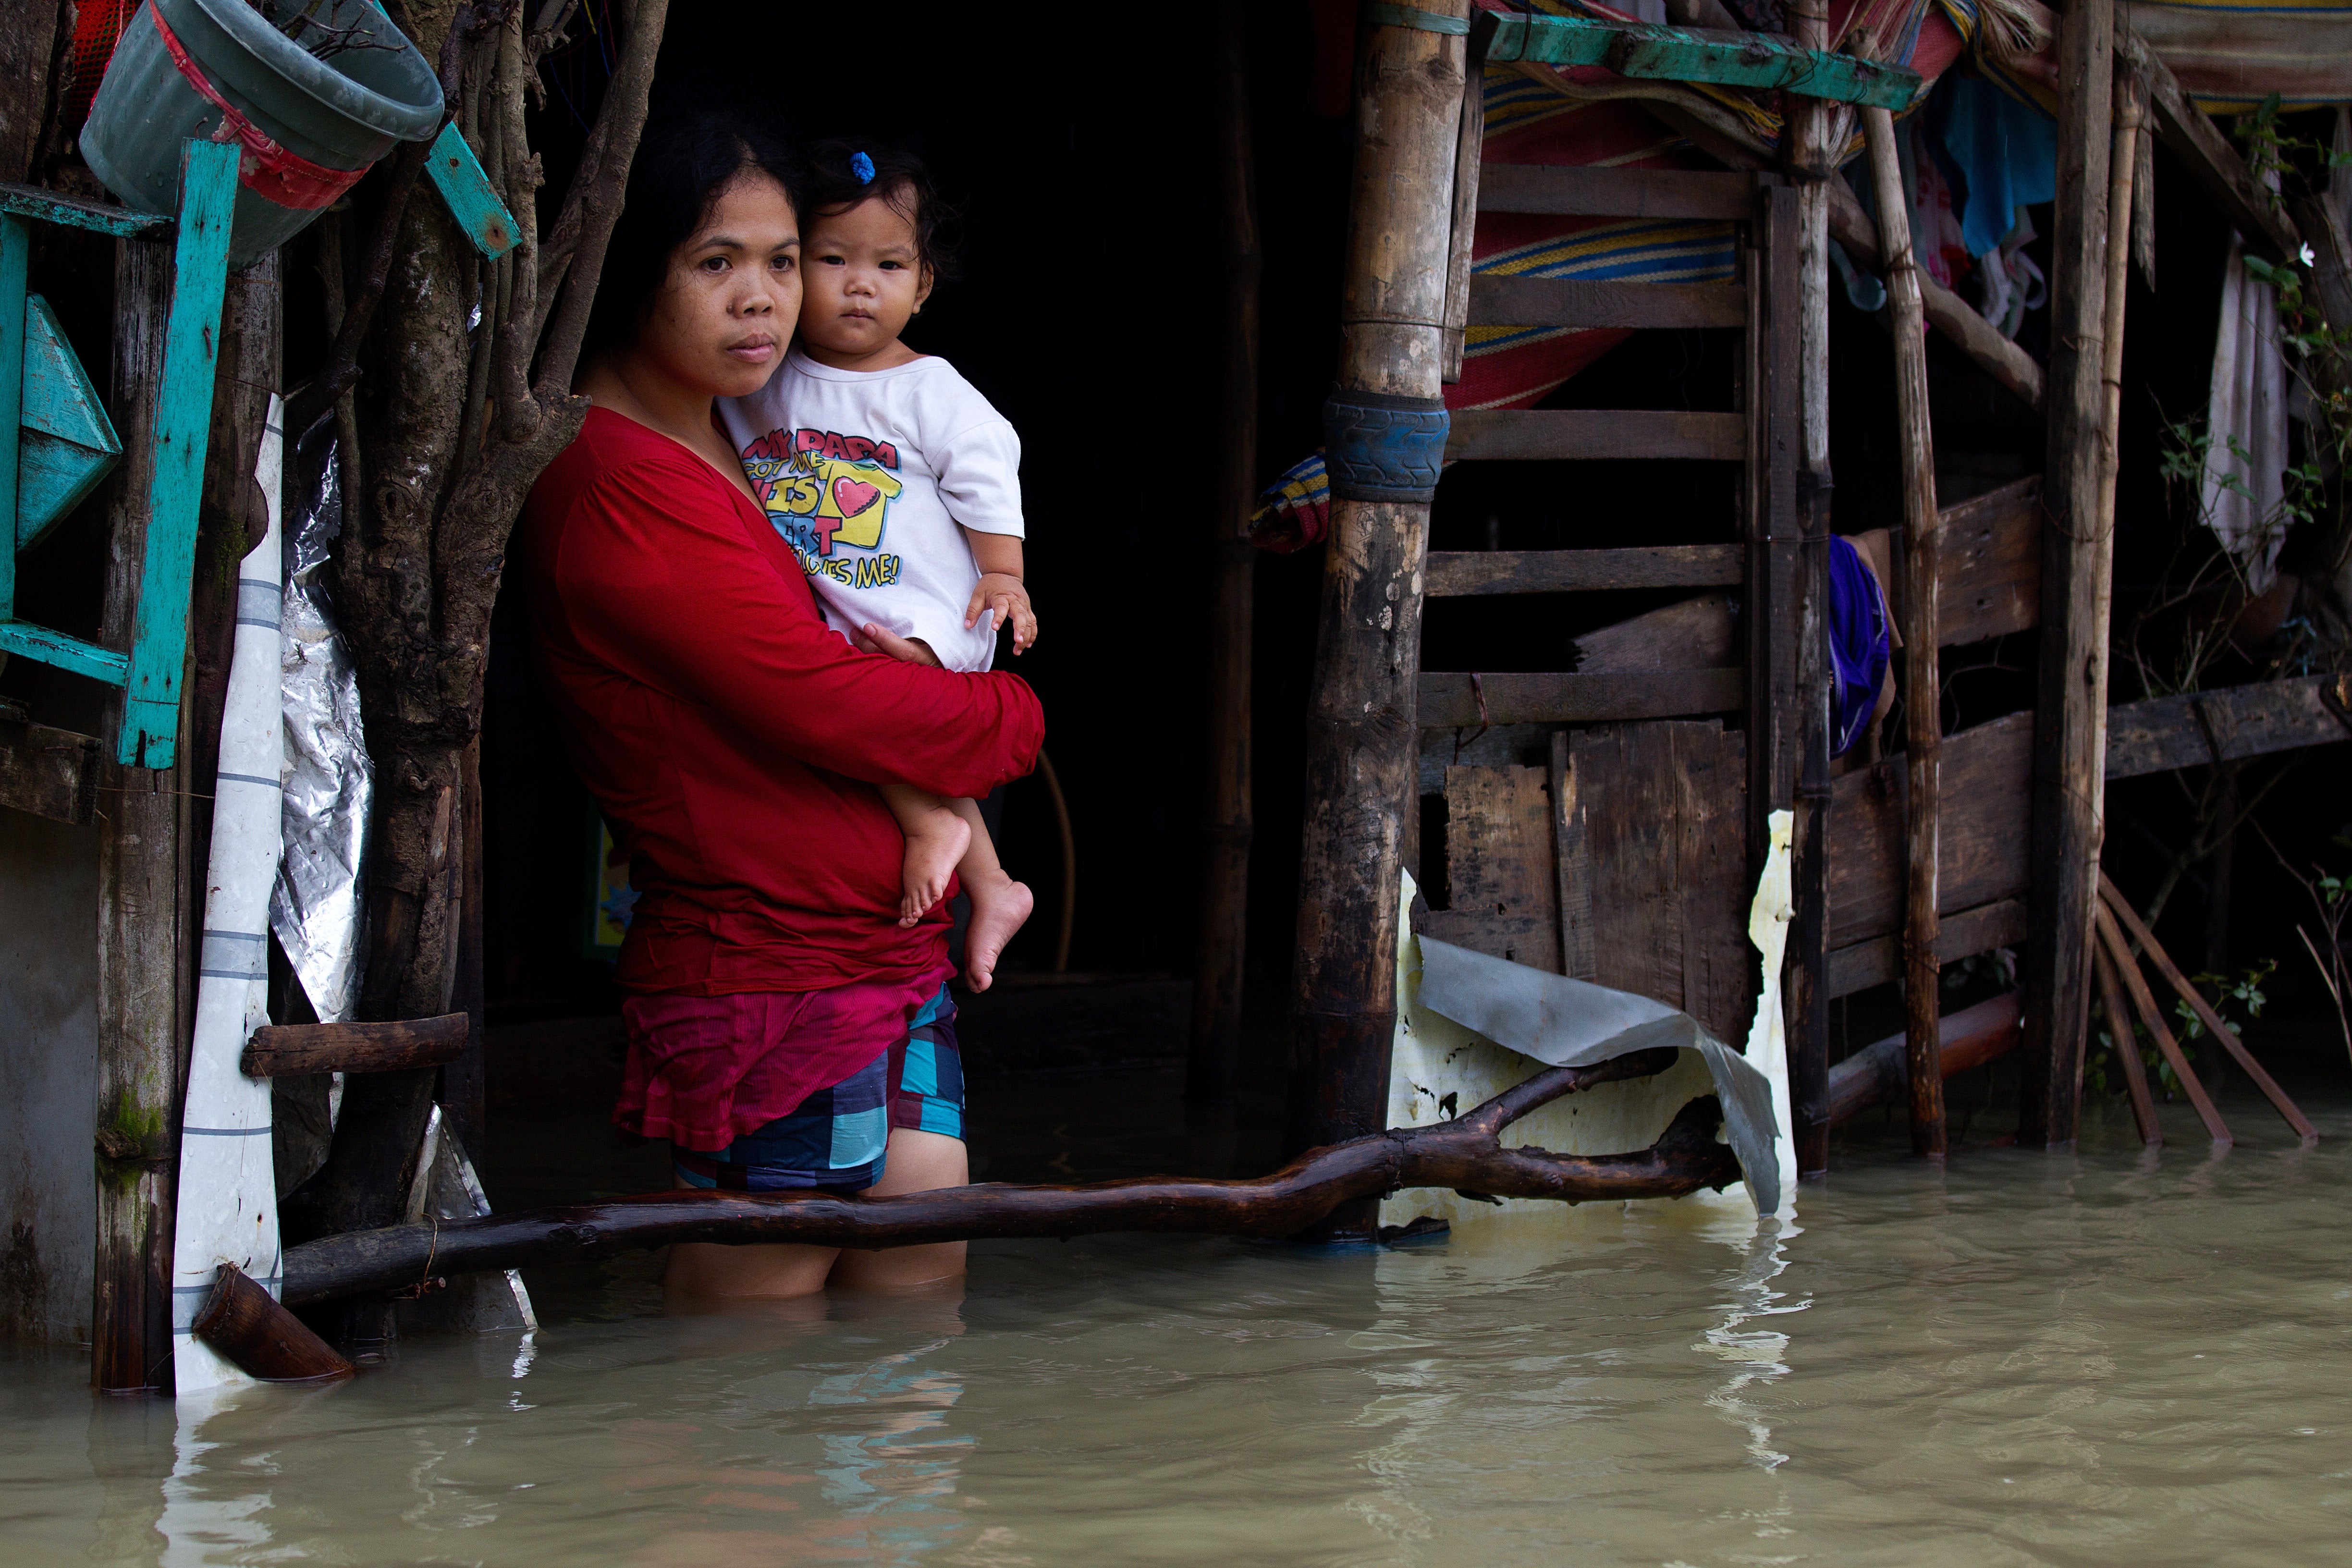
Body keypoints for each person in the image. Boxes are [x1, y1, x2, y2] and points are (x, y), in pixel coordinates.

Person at [516, 98, 1043, 1298]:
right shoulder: (613, 485)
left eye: (781, 262)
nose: (761, 298)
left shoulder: (750, 434)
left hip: (889, 959)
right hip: (769, 981)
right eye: (716, 264)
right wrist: (1017, 720)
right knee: (749, 1378)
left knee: (917, 1349)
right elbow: (824, 700)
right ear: (630, 270)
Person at [722, 141, 1034, 989]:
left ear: (923, 286)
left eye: (889, 265)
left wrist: (1003, 575)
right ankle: (994, 884)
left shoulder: (928, 389)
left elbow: (986, 468)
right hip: (845, 609)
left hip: (932, 610)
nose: (861, 284)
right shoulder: (758, 376)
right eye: (833, 260)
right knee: (841, 692)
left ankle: (933, 829)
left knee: (863, 700)